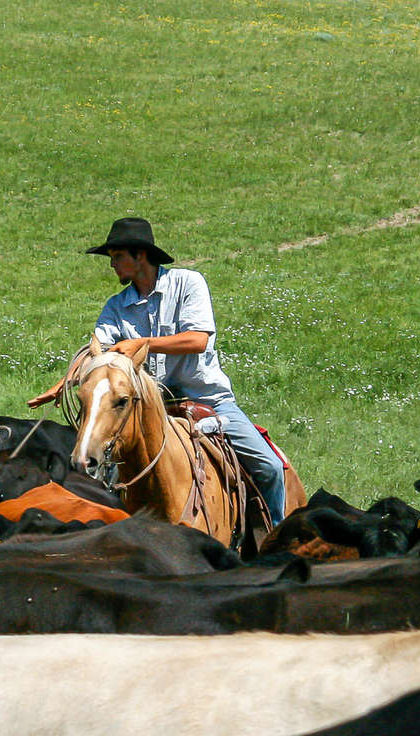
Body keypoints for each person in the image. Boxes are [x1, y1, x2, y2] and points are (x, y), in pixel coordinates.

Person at [29, 217, 285, 523]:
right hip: (151, 411)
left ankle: (274, 538)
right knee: (96, 478)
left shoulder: (188, 284)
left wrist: (143, 343)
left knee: (268, 468)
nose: (112, 265)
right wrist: (63, 384)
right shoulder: (116, 306)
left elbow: (198, 340)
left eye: (118, 257)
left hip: (210, 403)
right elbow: (100, 354)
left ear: (141, 256)